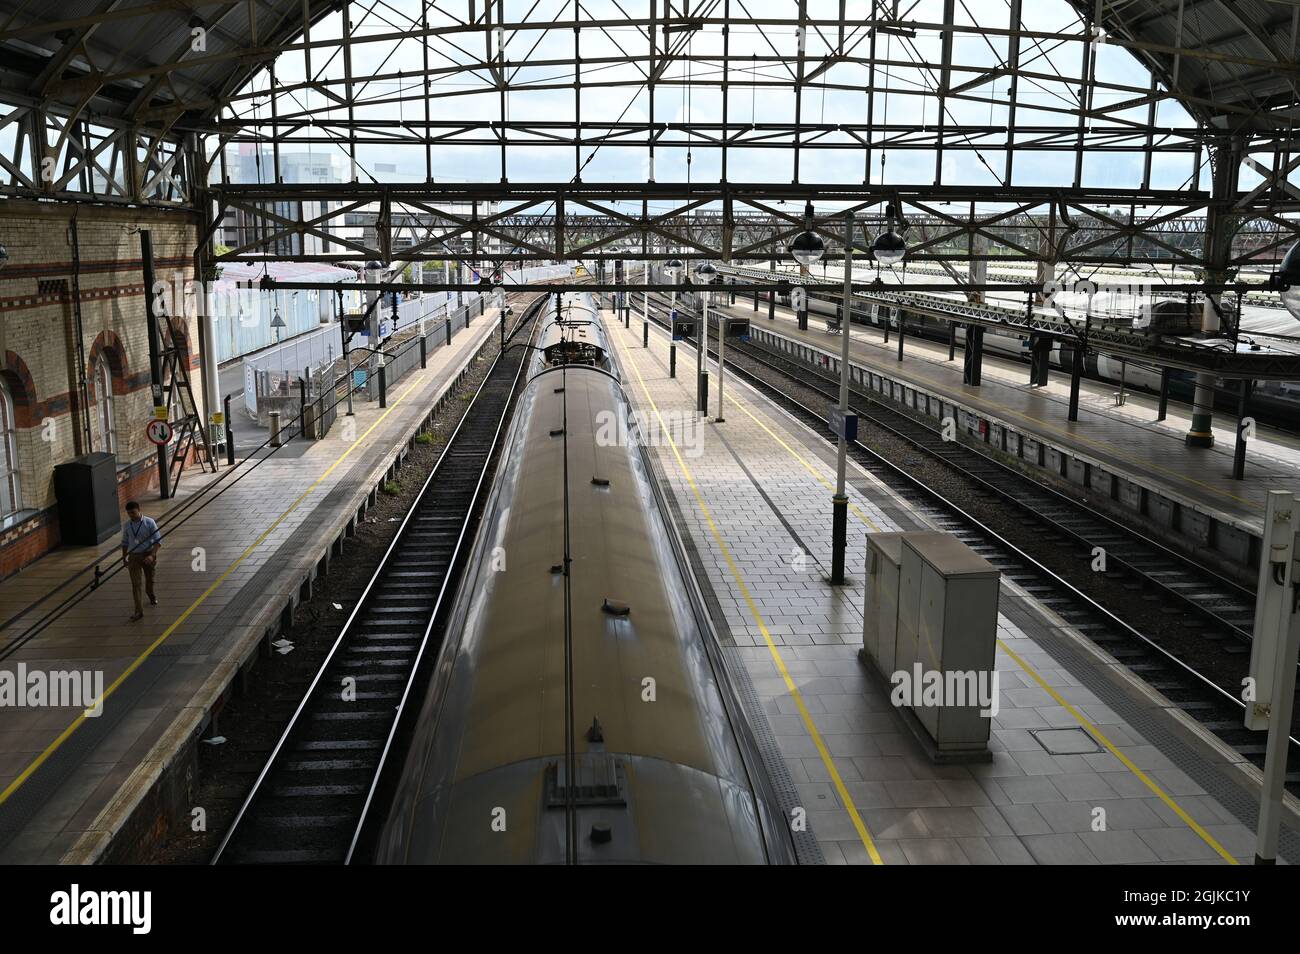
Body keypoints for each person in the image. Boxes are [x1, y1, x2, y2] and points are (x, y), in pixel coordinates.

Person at [121, 500, 161, 622]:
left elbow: (158, 541)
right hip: (134, 556)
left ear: (139, 510)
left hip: (147, 554)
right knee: (136, 584)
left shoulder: (149, 522)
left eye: (133, 512)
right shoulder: (127, 525)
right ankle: (138, 611)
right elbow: (125, 542)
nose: (131, 516)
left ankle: (151, 594)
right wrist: (124, 557)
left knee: (150, 580)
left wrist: (152, 555)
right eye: (129, 513)